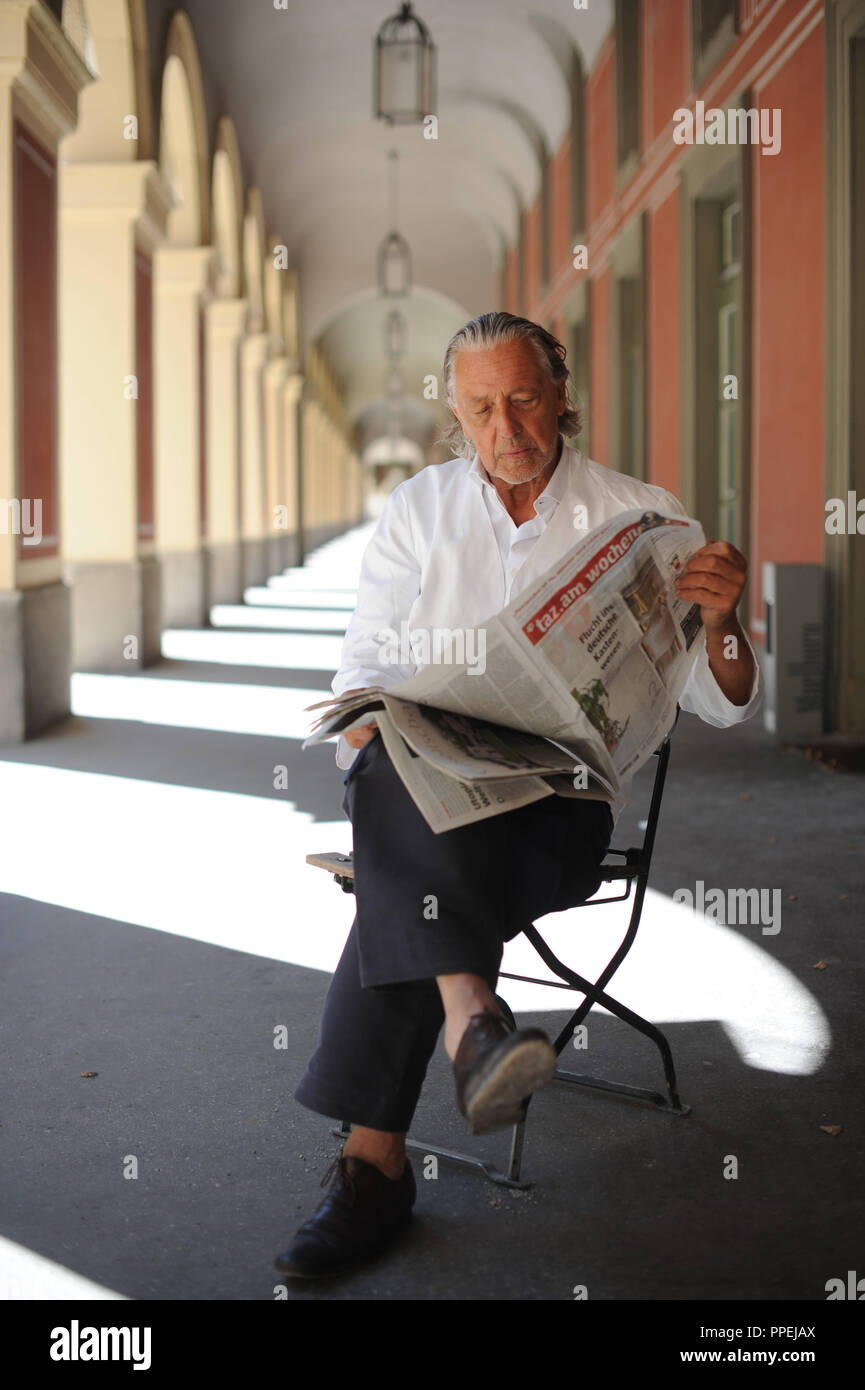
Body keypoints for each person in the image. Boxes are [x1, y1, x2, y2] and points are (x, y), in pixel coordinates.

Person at [275, 311, 761, 1279]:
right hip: (428, 785)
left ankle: (375, 1163)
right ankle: (470, 1026)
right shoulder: (418, 509)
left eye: (525, 399)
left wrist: (724, 622)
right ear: (454, 414)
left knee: (405, 876)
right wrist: (384, 720)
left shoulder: (640, 512)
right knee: (397, 772)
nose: (507, 428)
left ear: (562, 393)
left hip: (555, 804)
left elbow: (724, 700)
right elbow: (362, 668)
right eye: (481, 408)